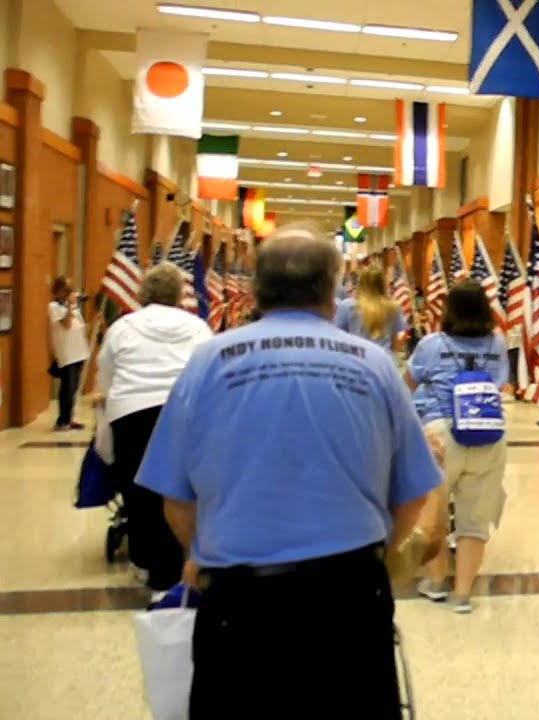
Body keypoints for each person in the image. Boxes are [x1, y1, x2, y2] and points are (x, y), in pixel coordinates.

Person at [134, 225, 445, 719]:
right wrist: (380, 551)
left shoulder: (208, 362)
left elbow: (175, 497)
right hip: (348, 598)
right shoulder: (376, 366)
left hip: (238, 601)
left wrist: (200, 553)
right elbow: (412, 495)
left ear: (256, 288)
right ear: (331, 289)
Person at [95, 263, 212, 595]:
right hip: (184, 410)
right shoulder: (196, 326)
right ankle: (184, 559)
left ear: (141, 292)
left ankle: (148, 563)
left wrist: (105, 397)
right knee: (181, 489)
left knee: (139, 487)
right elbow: (208, 367)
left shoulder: (123, 327)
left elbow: (106, 372)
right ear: (178, 294)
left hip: (132, 412)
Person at [406, 280, 509, 614]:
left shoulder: (432, 344)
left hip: (440, 434)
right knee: (474, 519)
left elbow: (405, 386)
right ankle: (462, 594)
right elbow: (500, 383)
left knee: (434, 513)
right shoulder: (497, 342)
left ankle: (435, 583)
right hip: (488, 435)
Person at [335, 263, 407, 356]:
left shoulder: (347, 306)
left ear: (360, 283)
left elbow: (338, 337)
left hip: (357, 359)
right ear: (383, 284)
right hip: (384, 360)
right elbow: (397, 341)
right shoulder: (393, 307)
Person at [48, 276, 91, 430]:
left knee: (74, 388)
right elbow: (66, 324)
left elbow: (78, 325)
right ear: (59, 290)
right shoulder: (54, 306)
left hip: (79, 351)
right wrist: (71, 305)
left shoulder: (69, 306)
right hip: (67, 353)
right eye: (67, 289)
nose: (70, 292)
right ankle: (62, 420)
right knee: (67, 387)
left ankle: (70, 417)